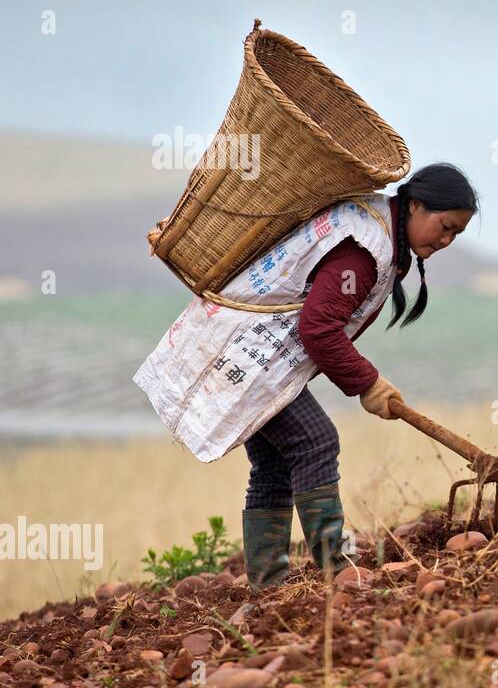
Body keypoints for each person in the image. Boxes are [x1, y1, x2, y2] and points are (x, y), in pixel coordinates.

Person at [136, 163, 478, 593]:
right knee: (316, 441)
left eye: (455, 235)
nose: (445, 241)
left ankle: (267, 585)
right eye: (444, 226)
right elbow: (317, 328)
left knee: (274, 464)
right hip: (246, 356)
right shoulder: (364, 248)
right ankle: (338, 570)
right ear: (415, 205)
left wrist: (363, 379)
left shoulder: (375, 228)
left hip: (241, 350)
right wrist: (367, 383)